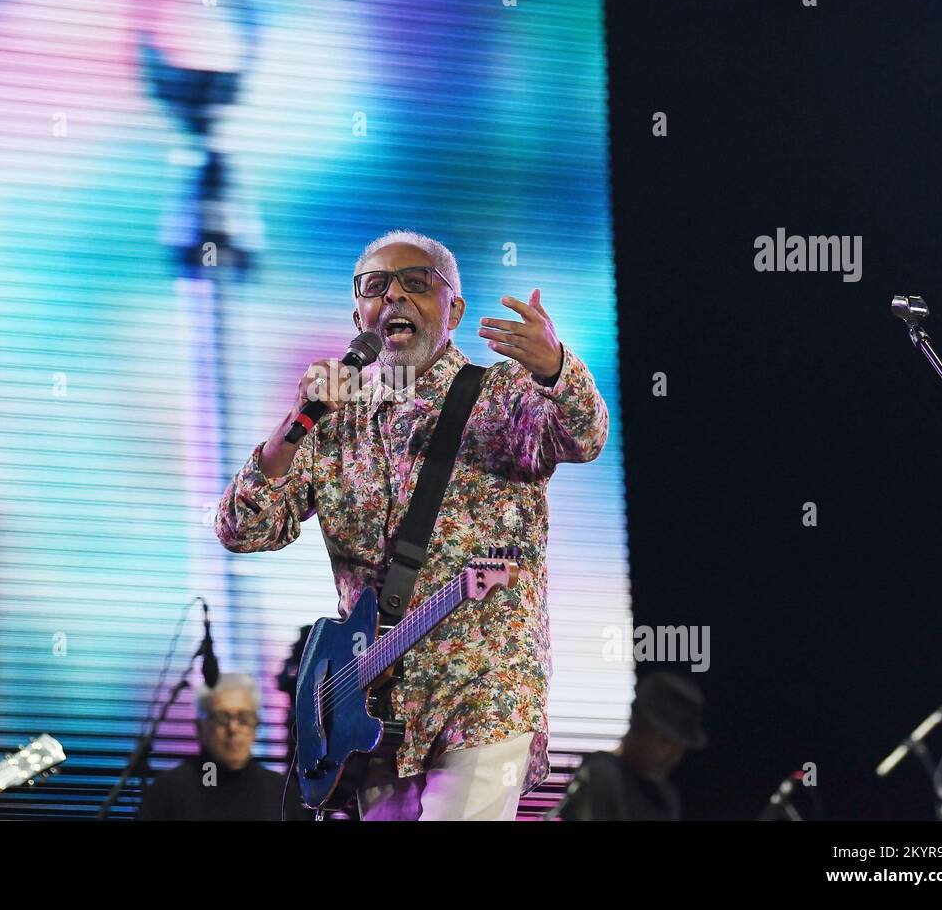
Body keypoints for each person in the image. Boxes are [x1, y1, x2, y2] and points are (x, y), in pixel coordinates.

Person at [216, 229, 609, 820]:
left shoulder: (499, 397)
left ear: (453, 310)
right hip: (372, 708)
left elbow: (583, 436)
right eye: (376, 287)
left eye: (416, 283)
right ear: (358, 313)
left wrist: (555, 367)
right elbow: (241, 529)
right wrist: (293, 426)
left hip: (483, 689)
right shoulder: (332, 424)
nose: (394, 296)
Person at [137, 672, 308, 820]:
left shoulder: (282, 793)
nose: (233, 728)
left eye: (244, 717)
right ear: (200, 727)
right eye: (221, 717)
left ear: (256, 725)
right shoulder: (168, 792)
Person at [559, 671, 706, 821]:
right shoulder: (602, 775)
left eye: (680, 747)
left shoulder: (664, 797)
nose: (673, 756)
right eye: (665, 741)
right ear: (638, 727)